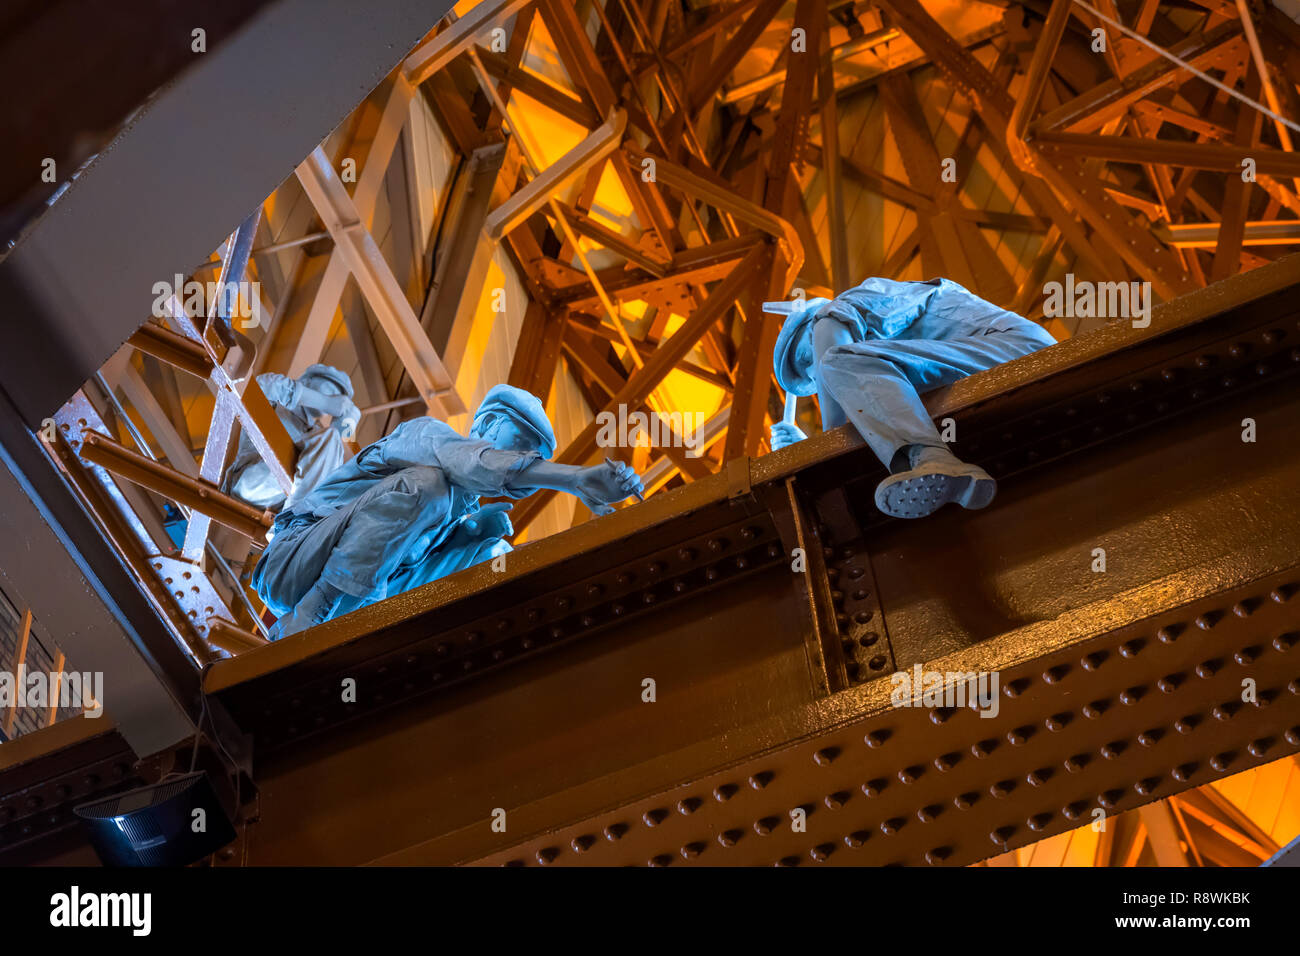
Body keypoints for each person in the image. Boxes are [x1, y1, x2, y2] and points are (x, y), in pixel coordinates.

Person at [252, 384, 645, 640]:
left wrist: (470, 537)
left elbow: (404, 559)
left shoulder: (457, 511)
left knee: (489, 552)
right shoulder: (425, 435)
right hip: (295, 568)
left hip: (366, 600)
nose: (525, 457)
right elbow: (468, 463)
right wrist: (574, 479)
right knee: (429, 488)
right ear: (489, 424)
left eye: (533, 455)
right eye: (521, 443)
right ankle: (312, 611)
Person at [769, 277, 1057, 519]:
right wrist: (802, 452)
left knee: (841, 361)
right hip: (999, 361)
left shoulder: (844, 309)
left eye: (806, 356)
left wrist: (825, 444)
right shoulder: (886, 376)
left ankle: (931, 457)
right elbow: (877, 417)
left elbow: (830, 340)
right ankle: (932, 460)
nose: (814, 371)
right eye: (808, 374)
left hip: (1015, 348)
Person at [223, 364, 361, 510]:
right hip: (251, 484)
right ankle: (299, 516)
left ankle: (297, 515)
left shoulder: (317, 436)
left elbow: (334, 477)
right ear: (307, 382)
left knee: (333, 445)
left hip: (280, 502)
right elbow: (261, 386)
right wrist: (324, 401)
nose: (337, 400)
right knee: (330, 439)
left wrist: (346, 426)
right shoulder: (277, 406)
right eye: (332, 390)